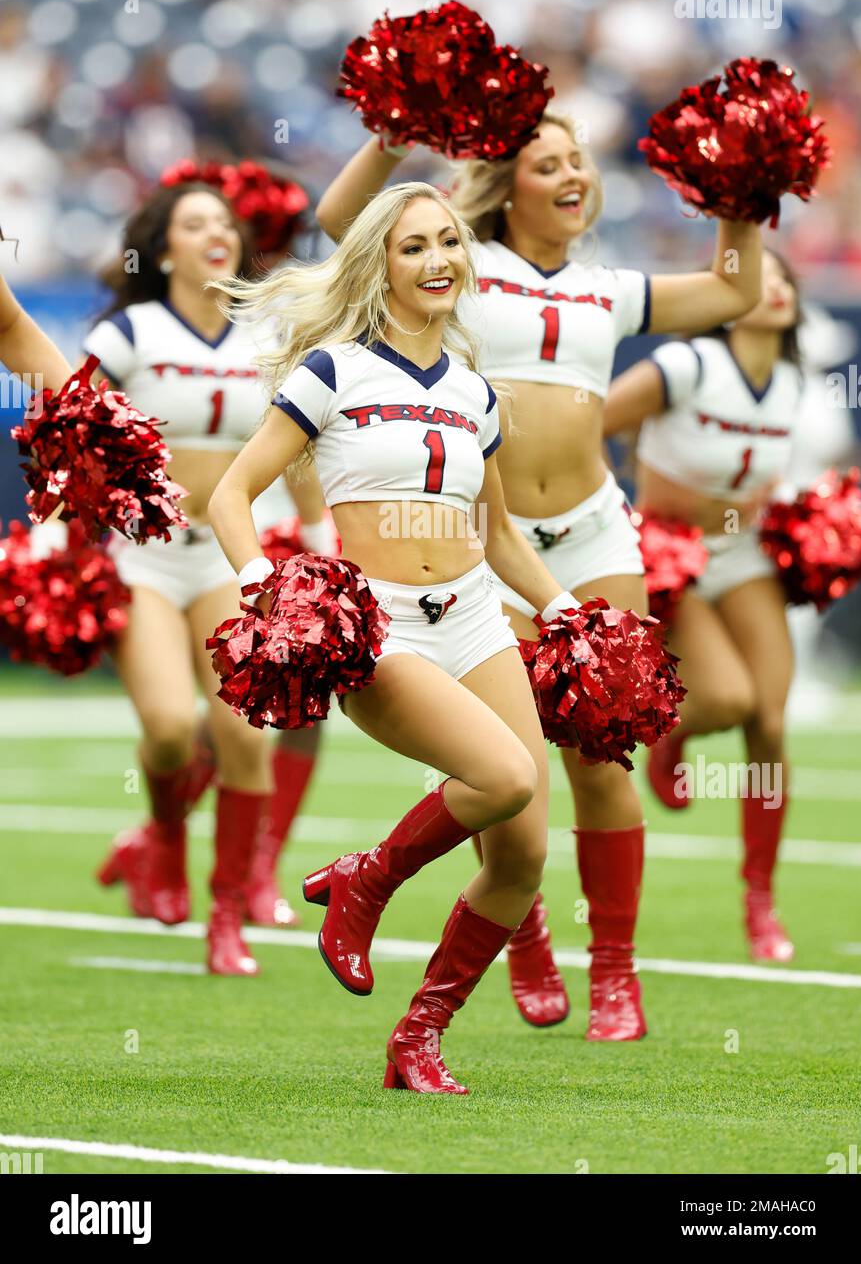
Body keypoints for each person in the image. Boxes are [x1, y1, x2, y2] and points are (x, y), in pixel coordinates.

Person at [313, 110, 763, 1038]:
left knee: (603, 755)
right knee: (509, 766)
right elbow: (341, 220)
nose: (571, 175)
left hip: (595, 535)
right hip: (492, 546)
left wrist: (743, 193)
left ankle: (616, 976)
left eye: (578, 161)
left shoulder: (609, 289)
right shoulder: (465, 266)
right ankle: (522, 922)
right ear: (505, 184)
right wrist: (398, 128)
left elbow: (732, 291)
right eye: (545, 162)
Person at [208, 181, 586, 1093]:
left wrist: (573, 610)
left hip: (475, 615)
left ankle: (419, 1039)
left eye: (449, 242)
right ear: (380, 262)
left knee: (527, 852)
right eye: (414, 247)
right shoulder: (332, 371)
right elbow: (229, 494)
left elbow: (499, 538)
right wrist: (267, 591)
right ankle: (368, 879)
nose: (438, 261)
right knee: (502, 777)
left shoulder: (474, 391)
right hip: (375, 623)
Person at [85, 180, 294, 975]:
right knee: (172, 727)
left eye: (225, 223)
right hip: (142, 552)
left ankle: (226, 917)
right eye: (193, 223)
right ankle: (164, 837)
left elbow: (298, 451)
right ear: (162, 248)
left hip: (224, 555)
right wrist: (57, 535)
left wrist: (312, 540)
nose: (215, 234)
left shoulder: (270, 336)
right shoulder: (130, 332)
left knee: (246, 733)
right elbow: (70, 427)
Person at [604, 249, 803, 962]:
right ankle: (672, 737)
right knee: (724, 698)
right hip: (671, 554)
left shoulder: (789, 382)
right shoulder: (685, 366)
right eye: (761, 275)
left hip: (742, 555)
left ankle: (761, 899)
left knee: (772, 723)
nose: (774, 286)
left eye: (785, 278)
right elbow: (588, 424)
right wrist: (613, 507)